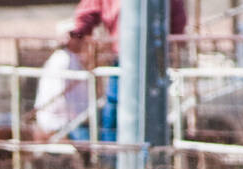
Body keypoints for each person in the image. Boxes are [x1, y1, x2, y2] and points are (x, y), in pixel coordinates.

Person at [71, 0, 187, 142]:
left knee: (141, 108)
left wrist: (79, 31)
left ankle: (135, 155)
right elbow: (88, 11)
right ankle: (116, 155)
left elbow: (176, 16)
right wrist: (78, 31)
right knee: (122, 108)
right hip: (130, 57)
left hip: (151, 57)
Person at [33, 20, 91, 140]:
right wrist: (76, 117)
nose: (82, 40)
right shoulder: (62, 60)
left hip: (73, 119)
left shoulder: (71, 58)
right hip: (61, 121)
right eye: (77, 36)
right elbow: (58, 96)